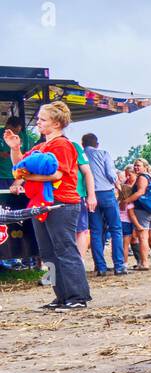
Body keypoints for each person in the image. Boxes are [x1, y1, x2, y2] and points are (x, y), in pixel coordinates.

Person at [4, 101, 92, 310]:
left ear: (56, 123)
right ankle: (61, 295)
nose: (39, 123)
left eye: (43, 120)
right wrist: (15, 148)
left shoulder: (62, 145)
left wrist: (27, 176)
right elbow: (18, 165)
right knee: (48, 253)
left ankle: (77, 296)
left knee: (64, 249)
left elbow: (55, 174)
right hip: (42, 204)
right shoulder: (39, 146)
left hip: (61, 203)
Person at [81, 133, 127, 276]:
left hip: (90, 195)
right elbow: (110, 173)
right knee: (116, 229)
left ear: (83, 144)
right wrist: (117, 185)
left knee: (95, 231)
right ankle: (119, 265)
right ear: (97, 144)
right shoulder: (104, 153)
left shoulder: (81, 155)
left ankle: (100, 267)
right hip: (106, 193)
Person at [120, 159, 151, 270]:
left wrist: (126, 200)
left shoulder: (142, 177)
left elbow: (140, 192)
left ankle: (144, 263)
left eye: (138, 165)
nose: (136, 168)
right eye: (135, 166)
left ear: (145, 166)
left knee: (143, 237)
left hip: (143, 210)